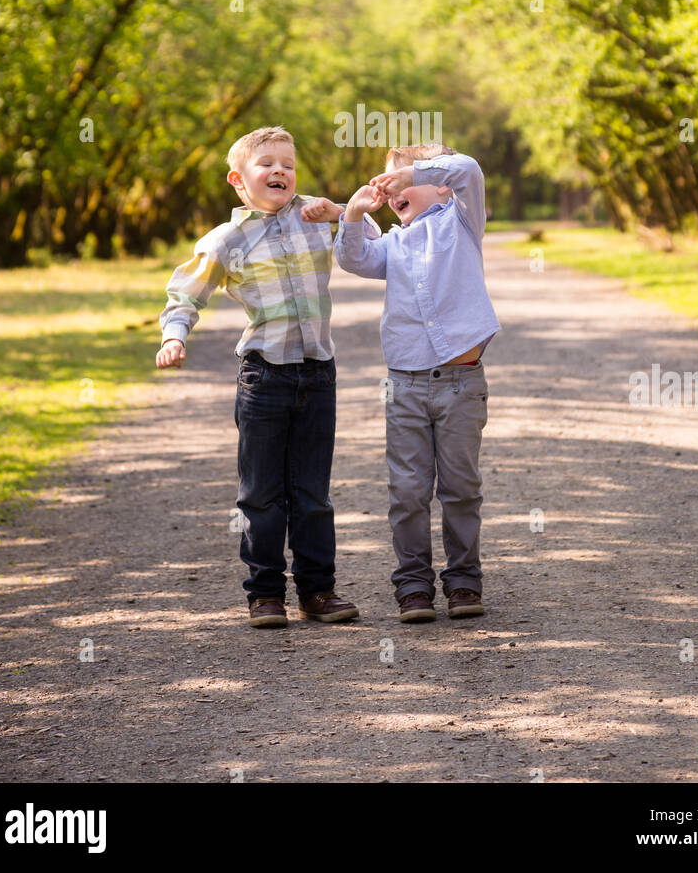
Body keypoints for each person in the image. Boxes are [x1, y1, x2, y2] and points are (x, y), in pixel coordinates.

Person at [155, 125, 368, 629]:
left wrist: (342, 212)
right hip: (264, 378)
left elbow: (368, 236)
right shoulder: (227, 240)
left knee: (313, 493)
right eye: (267, 164)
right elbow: (185, 293)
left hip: (318, 374)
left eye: (288, 165)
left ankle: (318, 591)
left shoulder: (317, 214)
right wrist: (174, 336)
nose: (280, 171)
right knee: (261, 492)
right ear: (238, 179)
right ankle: (265, 593)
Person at [334, 143, 500, 622]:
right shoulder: (393, 245)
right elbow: (355, 259)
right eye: (388, 184)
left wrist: (409, 171)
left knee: (460, 486)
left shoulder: (463, 222)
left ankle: (465, 580)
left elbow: (468, 165)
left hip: (460, 384)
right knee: (407, 491)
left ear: (441, 185)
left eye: (404, 181)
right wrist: (351, 215)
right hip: (404, 386)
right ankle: (413, 586)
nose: (393, 189)